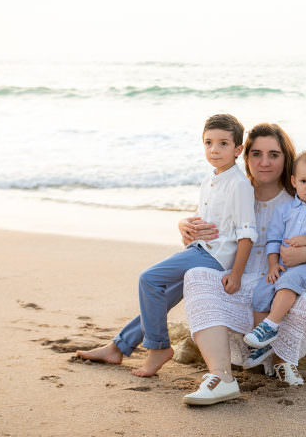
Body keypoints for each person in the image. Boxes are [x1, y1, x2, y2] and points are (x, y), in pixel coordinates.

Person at [76, 114, 256, 391]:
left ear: (238, 150)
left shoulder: (239, 184)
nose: (214, 149)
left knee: (149, 279)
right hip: (200, 249)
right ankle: (118, 347)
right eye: (208, 143)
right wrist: (183, 223)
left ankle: (159, 348)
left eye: (222, 143)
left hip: (216, 257)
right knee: (161, 295)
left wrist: (236, 273)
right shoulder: (209, 179)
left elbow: (247, 233)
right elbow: (204, 218)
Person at [180, 124, 306, 405]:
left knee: (301, 299)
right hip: (242, 280)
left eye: (274, 154)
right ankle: (221, 377)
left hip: (288, 282)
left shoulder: (302, 199)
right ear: (245, 156)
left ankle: (282, 359)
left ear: (287, 159)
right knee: (196, 275)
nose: (264, 162)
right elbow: (206, 228)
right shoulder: (235, 189)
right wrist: (185, 225)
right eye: (256, 153)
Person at [244, 150, 306, 357]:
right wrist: (273, 265)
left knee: (289, 281)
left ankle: (271, 325)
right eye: (304, 181)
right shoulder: (284, 210)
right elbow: (273, 240)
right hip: (283, 265)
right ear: (294, 181)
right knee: (262, 291)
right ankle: (261, 345)